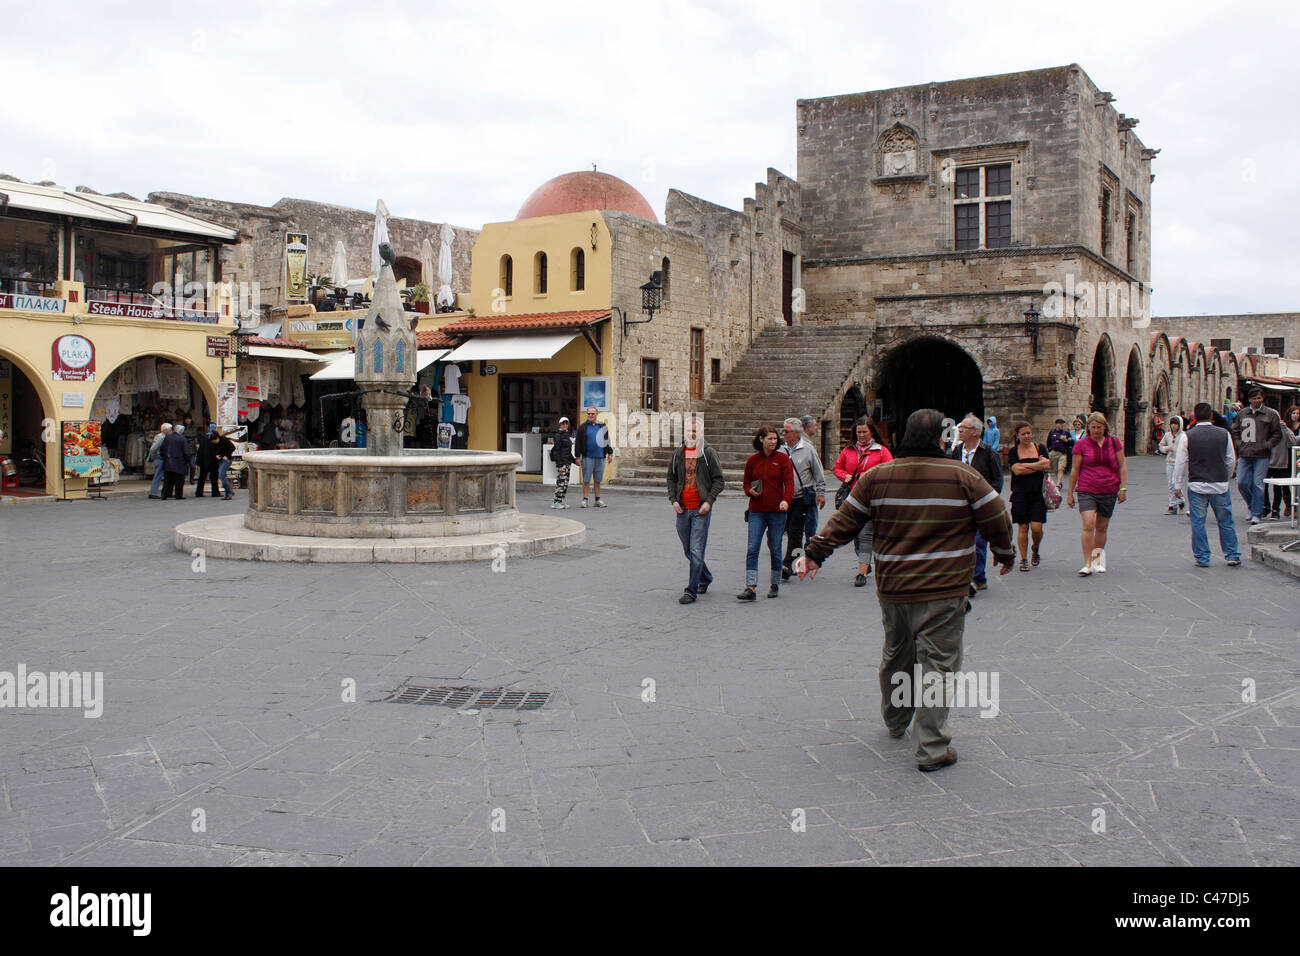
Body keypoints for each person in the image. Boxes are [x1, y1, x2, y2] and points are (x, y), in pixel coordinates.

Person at [796, 408, 1015, 773]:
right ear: (940, 439)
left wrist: (816, 552)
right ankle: (931, 747)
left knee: (898, 653)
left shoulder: (878, 476)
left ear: (903, 438)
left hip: (896, 586)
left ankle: (896, 719)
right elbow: (996, 516)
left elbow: (846, 520)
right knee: (938, 665)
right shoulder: (963, 475)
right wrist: (1004, 552)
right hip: (945, 589)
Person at [1173, 402, 1241, 567]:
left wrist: (1177, 485)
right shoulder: (1224, 434)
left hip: (1197, 485)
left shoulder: (1187, 436)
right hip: (1219, 484)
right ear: (1211, 416)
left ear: (1195, 417)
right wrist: (1225, 474)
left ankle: (1202, 557)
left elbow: (1181, 462)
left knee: (1198, 522)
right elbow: (1231, 459)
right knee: (1225, 521)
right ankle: (1232, 554)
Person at [667, 418, 725, 604]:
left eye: (695, 431)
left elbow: (719, 480)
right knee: (688, 550)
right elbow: (671, 478)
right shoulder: (678, 453)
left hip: (700, 509)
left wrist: (708, 502)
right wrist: (674, 500)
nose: (691, 434)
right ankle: (705, 577)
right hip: (682, 509)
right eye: (688, 431)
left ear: (701, 433)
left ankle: (691, 591)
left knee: (696, 550)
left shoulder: (708, 453)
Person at [834, 416, 893, 586]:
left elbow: (890, 471)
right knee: (856, 536)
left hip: (871, 500)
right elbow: (838, 468)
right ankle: (865, 562)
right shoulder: (848, 450)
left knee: (865, 534)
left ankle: (861, 573)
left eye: (864, 432)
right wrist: (843, 476)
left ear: (872, 432)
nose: (861, 435)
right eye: (858, 432)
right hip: (852, 499)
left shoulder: (881, 451)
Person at [1065, 411, 1126, 576]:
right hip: (1087, 488)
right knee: (1088, 523)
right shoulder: (1081, 445)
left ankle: (1097, 559)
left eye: (1099, 427)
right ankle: (1087, 563)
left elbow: (1122, 465)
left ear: (1105, 428)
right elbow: (1075, 470)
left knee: (1102, 527)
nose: (1096, 430)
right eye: (1093, 427)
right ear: (1088, 427)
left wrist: (1123, 488)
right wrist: (1070, 493)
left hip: (1109, 488)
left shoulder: (1114, 443)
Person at [739, 425, 794, 601]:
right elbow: (746, 482)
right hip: (756, 510)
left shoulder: (783, 459)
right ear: (761, 439)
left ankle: (775, 583)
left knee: (775, 548)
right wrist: (749, 491)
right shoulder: (753, 460)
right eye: (770, 438)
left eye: (775, 438)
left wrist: (786, 500)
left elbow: (789, 483)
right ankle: (750, 586)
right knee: (752, 547)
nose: (773, 441)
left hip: (777, 511)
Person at [950, 414, 1003, 590]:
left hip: (981, 506)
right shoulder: (956, 452)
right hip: (959, 506)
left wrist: (988, 501)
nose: (960, 430)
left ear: (975, 432)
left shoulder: (988, 453)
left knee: (979, 541)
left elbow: (997, 481)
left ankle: (977, 578)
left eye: (964, 427)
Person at [780, 418, 826, 581]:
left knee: (795, 533)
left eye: (786, 431)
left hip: (800, 498)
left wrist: (820, 492)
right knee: (777, 532)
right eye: (783, 430)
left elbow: (818, 473)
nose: (783, 433)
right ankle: (784, 562)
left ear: (796, 433)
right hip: (781, 499)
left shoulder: (808, 449)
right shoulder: (780, 449)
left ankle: (788, 564)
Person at [1232, 387, 1283, 525]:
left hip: (1262, 455)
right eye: (1254, 398)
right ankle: (1251, 505)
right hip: (1245, 453)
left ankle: (1256, 513)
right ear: (1249, 400)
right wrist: (1238, 444)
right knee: (1242, 482)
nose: (1257, 401)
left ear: (1263, 399)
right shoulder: (1243, 413)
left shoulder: (1271, 414)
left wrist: (1268, 444)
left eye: (1259, 398)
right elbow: (1235, 430)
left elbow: (1277, 433)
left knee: (1258, 484)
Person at [1006, 421, 1050, 572]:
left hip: (1038, 493)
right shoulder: (1013, 451)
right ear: (1017, 436)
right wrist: (1036, 465)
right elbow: (1017, 471)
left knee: (1037, 528)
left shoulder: (1040, 448)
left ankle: (1035, 548)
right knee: (1023, 526)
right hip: (1020, 493)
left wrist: (1025, 466)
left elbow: (1046, 464)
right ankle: (1024, 559)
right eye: (1023, 434)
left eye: (1029, 433)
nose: (1027, 436)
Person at [574, 406, 614, 508]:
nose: (590, 415)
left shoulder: (602, 426)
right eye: (589, 414)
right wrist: (577, 457)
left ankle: (597, 500)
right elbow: (578, 443)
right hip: (587, 457)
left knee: (597, 480)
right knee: (586, 480)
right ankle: (585, 499)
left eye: (593, 414)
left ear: (597, 414)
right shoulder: (582, 427)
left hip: (600, 457)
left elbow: (607, 441)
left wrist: (610, 453)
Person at [1266, 409, 1297, 519]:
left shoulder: (1284, 428)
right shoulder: (1265, 428)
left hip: (1281, 461)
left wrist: (1285, 429)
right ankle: (1266, 507)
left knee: (1278, 488)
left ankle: (1276, 509)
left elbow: (1292, 443)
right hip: (1266, 461)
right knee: (1262, 486)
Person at [1158, 415, 1186, 514]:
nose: (1174, 426)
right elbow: (1161, 446)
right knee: (1171, 484)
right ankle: (1173, 505)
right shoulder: (1167, 435)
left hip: (1180, 463)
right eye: (1172, 424)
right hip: (1170, 462)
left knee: (1176, 483)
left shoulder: (1183, 436)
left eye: (1176, 424)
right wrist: (1167, 448)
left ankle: (1180, 500)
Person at [159, 425, 194, 500]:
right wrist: (188, 460)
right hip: (179, 463)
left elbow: (162, 449)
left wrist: (164, 457)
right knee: (179, 480)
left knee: (167, 480)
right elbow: (186, 452)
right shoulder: (182, 439)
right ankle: (178, 495)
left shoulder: (167, 437)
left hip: (168, 462)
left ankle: (165, 494)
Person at [549, 416, 576, 509]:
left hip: (567, 462)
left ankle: (561, 501)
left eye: (566, 423)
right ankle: (556, 502)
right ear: (560, 425)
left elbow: (568, 452)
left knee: (565, 482)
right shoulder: (558, 436)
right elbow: (557, 451)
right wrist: (559, 465)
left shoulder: (566, 435)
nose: (565, 425)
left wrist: (574, 460)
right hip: (562, 463)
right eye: (563, 423)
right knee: (561, 482)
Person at [147, 422, 172, 499]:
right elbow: (153, 448)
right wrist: (154, 456)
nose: (171, 431)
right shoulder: (161, 437)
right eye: (169, 429)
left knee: (161, 475)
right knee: (158, 475)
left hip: (160, 457)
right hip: (160, 457)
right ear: (165, 430)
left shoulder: (162, 436)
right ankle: (153, 492)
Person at [1046, 418, 1074, 484]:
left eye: (1062, 424)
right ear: (1056, 424)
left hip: (1062, 453)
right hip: (1054, 452)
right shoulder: (1052, 432)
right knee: (1055, 469)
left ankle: (1058, 483)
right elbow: (1048, 442)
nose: (1062, 425)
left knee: (1061, 468)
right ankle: (1059, 481)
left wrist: (1066, 440)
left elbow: (1071, 443)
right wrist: (1050, 449)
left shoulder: (1066, 433)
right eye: (1060, 423)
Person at [195, 428, 221, 497]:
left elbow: (200, 451)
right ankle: (215, 492)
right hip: (212, 461)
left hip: (203, 461)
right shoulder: (214, 440)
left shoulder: (203, 439)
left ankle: (199, 492)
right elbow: (215, 451)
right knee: (214, 477)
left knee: (202, 477)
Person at [216, 428, 237, 500]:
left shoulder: (224, 440)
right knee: (222, 475)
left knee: (222, 475)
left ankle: (229, 491)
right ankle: (229, 491)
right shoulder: (217, 442)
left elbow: (233, 447)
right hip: (222, 459)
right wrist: (217, 455)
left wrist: (226, 455)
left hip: (226, 459)